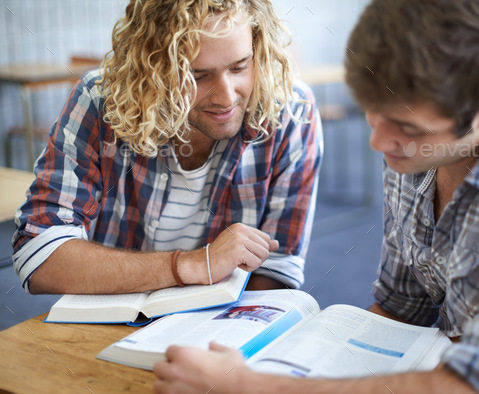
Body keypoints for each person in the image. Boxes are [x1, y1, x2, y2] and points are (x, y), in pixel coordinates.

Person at [152, 0, 479, 393]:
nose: (379, 143)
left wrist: (253, 386)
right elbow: (403, 308)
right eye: (374, 115)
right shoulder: (408, 147)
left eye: (409, 128)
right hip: (450, 361)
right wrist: (298, 361)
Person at [12, 0, 322, 295]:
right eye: (197, 76)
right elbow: (39, 255)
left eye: (240, 67)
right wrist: (191, 265)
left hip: (220, 337)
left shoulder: (291, 113)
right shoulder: (99, 101)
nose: (226, 97)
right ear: (154, 69)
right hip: (107, 330)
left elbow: (277, 274)